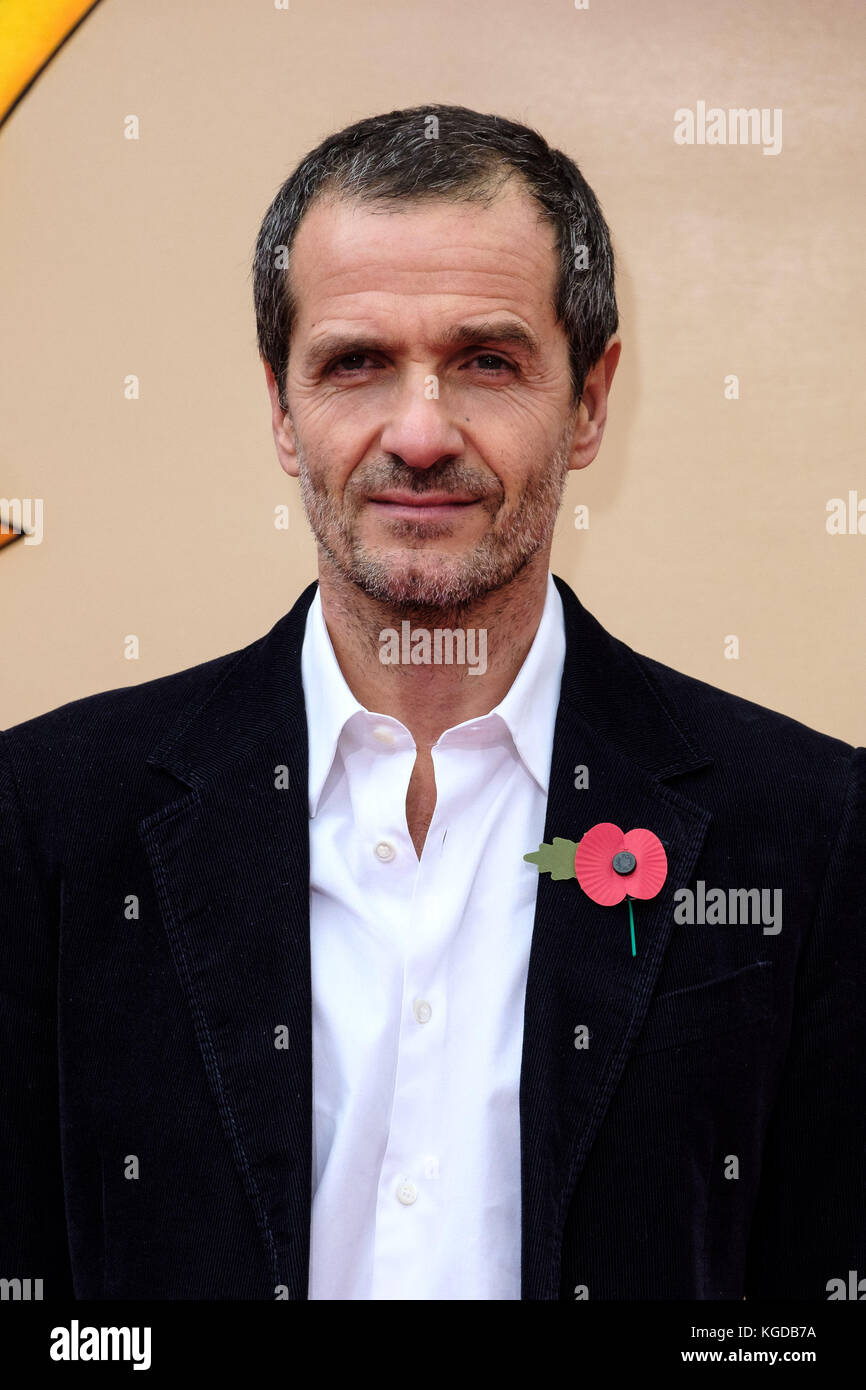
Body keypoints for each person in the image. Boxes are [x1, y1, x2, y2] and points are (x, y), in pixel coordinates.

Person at [1, 105, 863, 1302]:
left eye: (486, 360)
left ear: (591, 400)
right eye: (355, 363)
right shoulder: (45, 818)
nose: (418, 432)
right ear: (279, 409)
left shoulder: (813, 828)